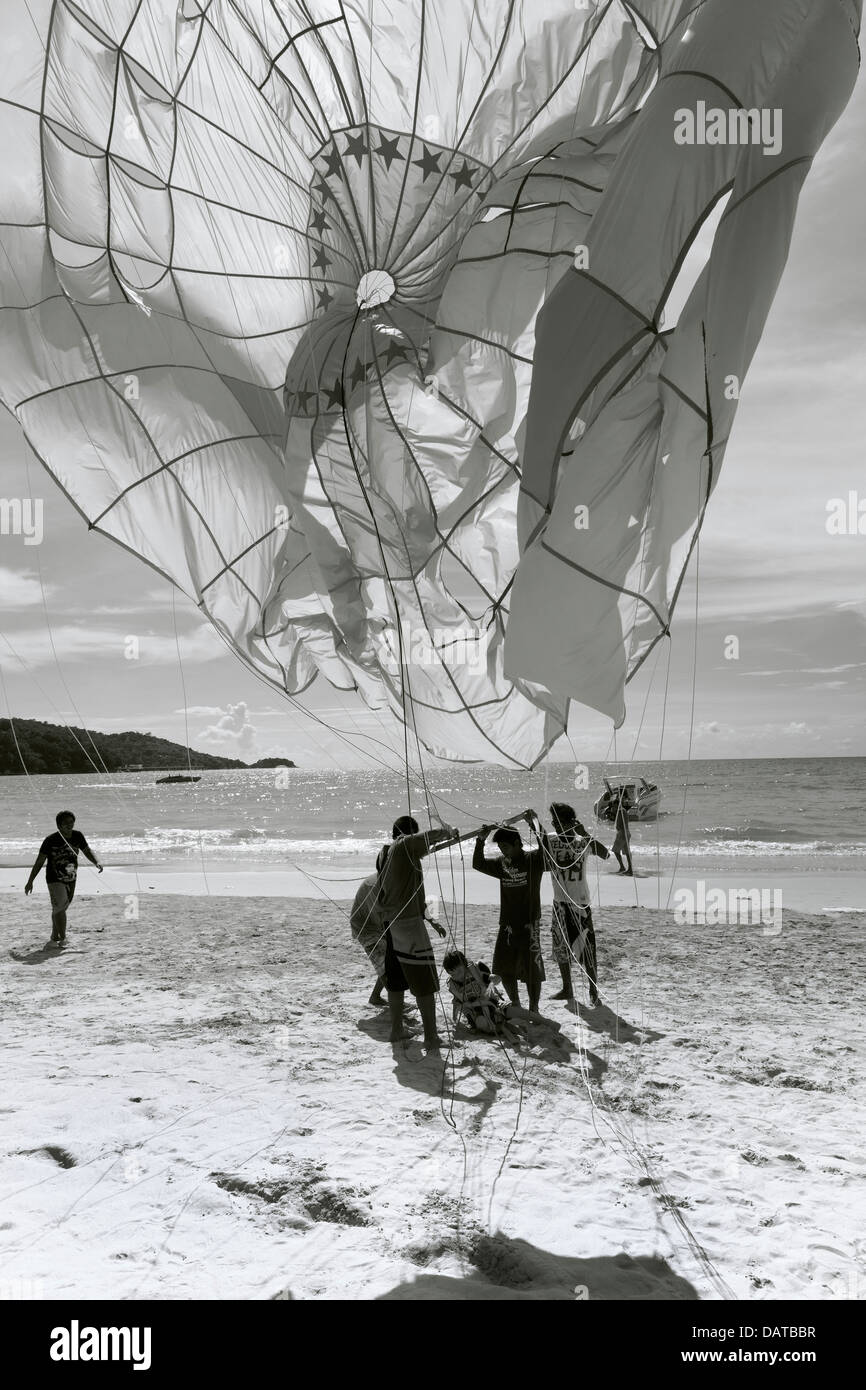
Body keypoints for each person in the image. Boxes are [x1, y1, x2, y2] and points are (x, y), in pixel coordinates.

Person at [376, 814, 459, 1049]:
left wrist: (431, 920)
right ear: (407, 834)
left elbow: (415, 893)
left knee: (396, 980)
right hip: (408, 926)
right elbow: (430, 836)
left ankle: (396, 1030)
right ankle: (431, 1037)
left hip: (392, 923)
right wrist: (449, 830)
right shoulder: (404, 845)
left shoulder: (388, 852)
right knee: (424, 981)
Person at [472, 811, 546, 1012]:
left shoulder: (533, 861)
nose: (503, 851)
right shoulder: (501, 864)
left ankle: (534, 1007)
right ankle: (515, 1003)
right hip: (507, 923)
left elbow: (546, 851)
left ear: (517, 843)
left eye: (506, 847)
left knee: (532, 970)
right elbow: (477, 863)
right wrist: (481, 841)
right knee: (504, 968)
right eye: (500, 848)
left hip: (529, 923)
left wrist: (536, 826)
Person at [541, 803, 608, 1006]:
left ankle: (593, 990)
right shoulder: (550, 841)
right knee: (561, 948)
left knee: (588, 949)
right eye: (553, 822)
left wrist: (585, 833)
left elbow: (605, 854)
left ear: (570, 822)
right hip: (560, 903)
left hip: (580, 905)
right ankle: (567, 988)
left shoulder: (582, 841)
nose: (555, 825)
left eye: (558, 821)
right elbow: (542, 863)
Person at [443, 950, 561, 1044]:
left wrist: (493, 979)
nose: (456, 976)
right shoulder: (453, 984)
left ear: (465, 966)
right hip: (476, 1011)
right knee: (482, 1023)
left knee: (515, 1011)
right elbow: (461, 1004)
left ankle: (547, 1022)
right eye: (452, 974)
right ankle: (503, 1027)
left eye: (458, 972)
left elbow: (495, 979)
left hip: (493, 1004)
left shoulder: (475, 971)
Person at [24, 810, 103, 945]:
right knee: (60, 906)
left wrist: (96, 862)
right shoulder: (50, 840)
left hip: (71, 877)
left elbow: (87, 850)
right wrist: (30, 881)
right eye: (66, 823)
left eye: (71, 822)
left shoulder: (77, 836)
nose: (69, 825)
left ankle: (55, 936)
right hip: (54, 878)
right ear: (59, 825)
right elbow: (39, 861)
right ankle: (63, 939)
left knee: (61, 907)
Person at [349, 874, 388, 1005]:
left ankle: (375, 996)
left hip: (377, 925)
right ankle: (395, 1002)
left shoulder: (390, 880)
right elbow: (380, 917)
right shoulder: (375, 886)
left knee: (389, 963)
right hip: (364, 928)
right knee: (385, 965)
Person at [612, 787, 634, 875]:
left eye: (614, 806)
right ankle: (629, 869)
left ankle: (623, 867)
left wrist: (623, 834)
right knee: (627, 852)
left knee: (616, 851)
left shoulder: (621, 811)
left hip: (622, 833)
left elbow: (624, 823)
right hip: (624, 833)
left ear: (617, 805)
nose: (613, 807)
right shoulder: (622, 811)